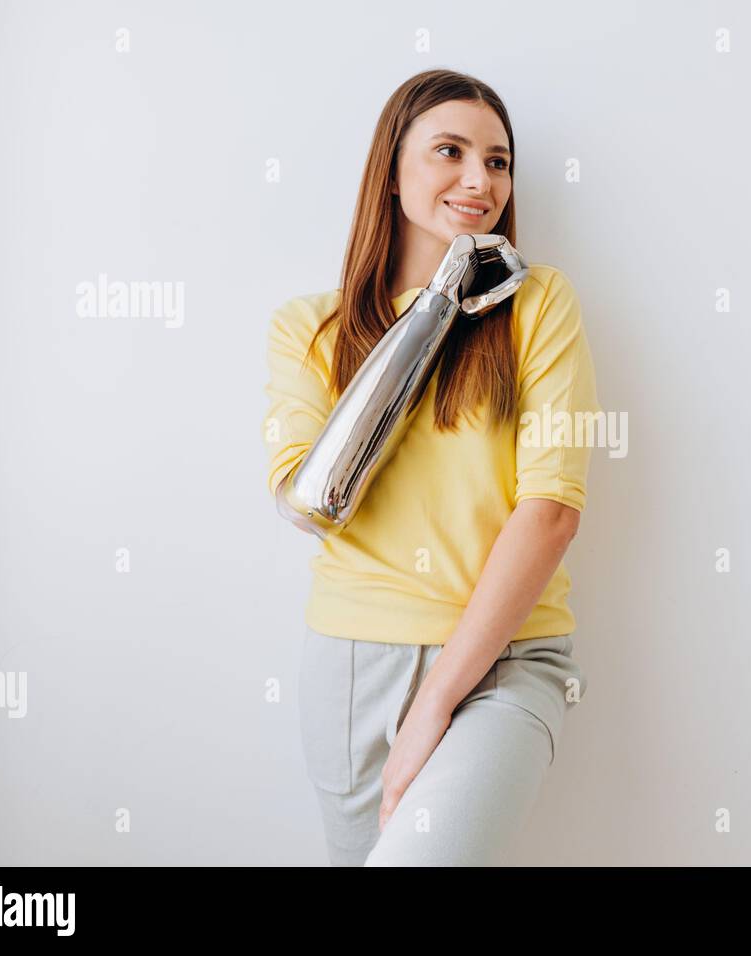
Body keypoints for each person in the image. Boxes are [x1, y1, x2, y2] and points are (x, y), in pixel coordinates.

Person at [262, 68, 602, 866]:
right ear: (391, 170)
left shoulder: (540, 304)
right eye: (449, 151)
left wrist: (437, 701)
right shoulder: (307, 329)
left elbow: (551, 511)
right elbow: (314, 502)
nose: (479, 180)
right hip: (349, 667)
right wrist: (440, 303)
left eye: (499, 160)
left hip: (504, 662)